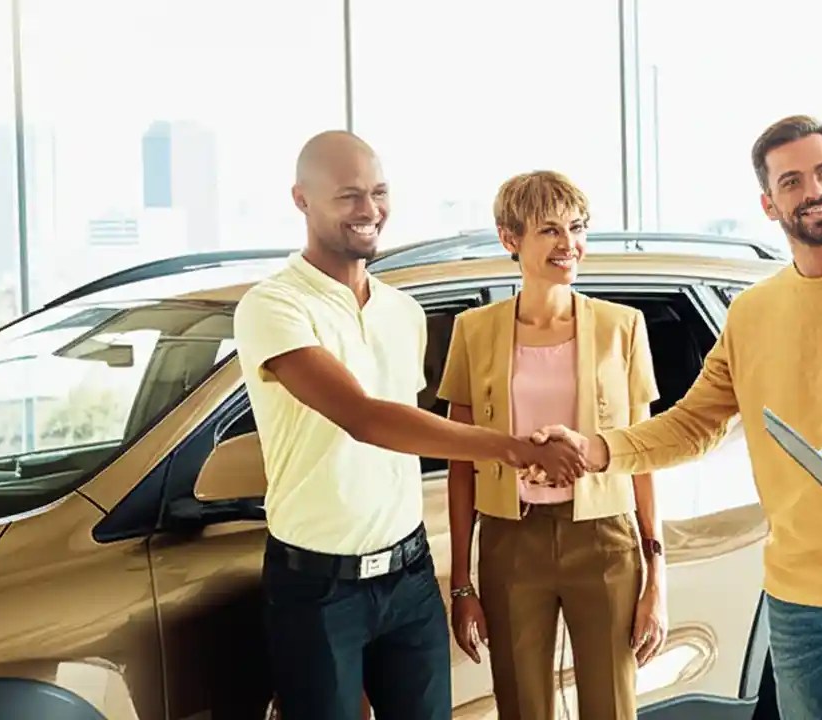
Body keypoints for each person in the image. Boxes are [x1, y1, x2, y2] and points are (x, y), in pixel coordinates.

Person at [533, 114, 822, 720]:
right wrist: (594, 450)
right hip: (796, 601)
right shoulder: (753, 315)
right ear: (768, 203)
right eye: (792, 182)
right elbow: (691, 425)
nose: (813, 191)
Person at [232, 131, 585, 720]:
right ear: (302, 199)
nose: (369, 211)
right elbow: (366, 419)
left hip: (410, 576)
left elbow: (413, 435)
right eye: (348, 196)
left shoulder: (404, 313)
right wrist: (515, 450)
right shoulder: (273, 307)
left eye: (378, 192)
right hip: (318, 590)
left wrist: (454, 583)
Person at [437, 170, 666, 720]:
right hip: (511, 542)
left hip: (606, 540)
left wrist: (657, 578)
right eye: (549, 230)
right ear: (509, 239)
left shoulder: (623, 327)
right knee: (521, 706)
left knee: (611, 706)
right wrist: (462, 583)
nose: (569, 244)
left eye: (578, 227)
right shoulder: (473, 330)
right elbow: (460, 462)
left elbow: (642, 454)